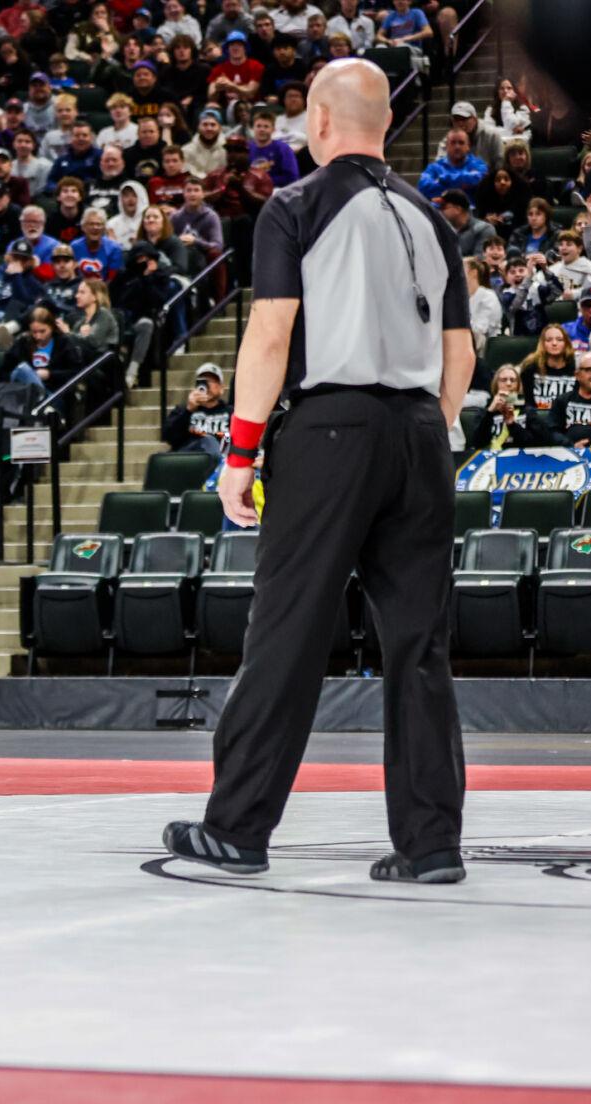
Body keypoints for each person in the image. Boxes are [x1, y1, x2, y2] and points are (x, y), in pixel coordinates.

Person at [161, 59, 474, 884]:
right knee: (418, 646)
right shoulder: (429, 218)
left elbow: (267, 337)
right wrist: (424, 429)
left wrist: (238, 454)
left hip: (327, 428)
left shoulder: (295, 205)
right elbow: (461, 353)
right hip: (419, 431)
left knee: (289, 629)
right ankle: (431, 842)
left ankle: (236, 827)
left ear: (320, 123)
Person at [162, 363, 232, 457]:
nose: (207, 384)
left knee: (210, 441)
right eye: (203, 381)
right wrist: (188, 410)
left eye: (211, 381)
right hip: (192, 461)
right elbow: (168, 436)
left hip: (222, 462)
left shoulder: (231, 412)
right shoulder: (183, 410)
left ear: (221, 388)